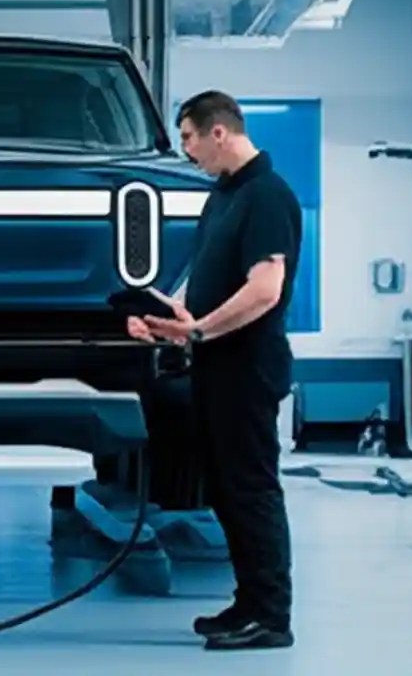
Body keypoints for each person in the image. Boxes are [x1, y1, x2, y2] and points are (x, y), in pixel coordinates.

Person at [127, 90, 300, 651]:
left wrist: (197, 331)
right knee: (225, 492)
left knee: (251, 490)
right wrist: (170, 320)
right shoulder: (223, 197)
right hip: (215, 368)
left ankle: (271, 617)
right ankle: (248, 603)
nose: (186, 150)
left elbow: (264, 290)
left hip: (248, 369)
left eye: (188, 138)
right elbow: (212, 282)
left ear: (218, 132)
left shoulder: (266, 195)